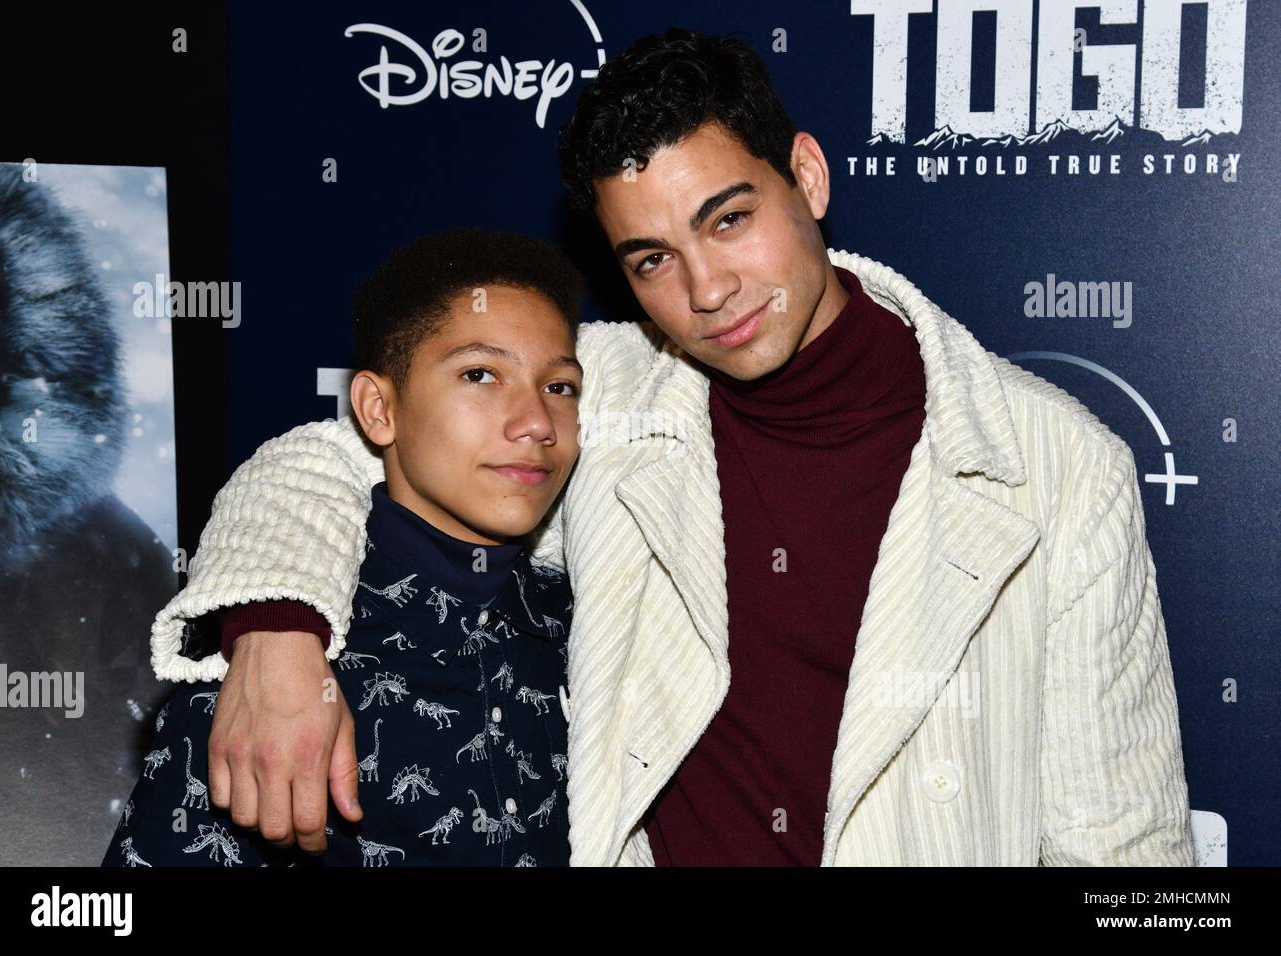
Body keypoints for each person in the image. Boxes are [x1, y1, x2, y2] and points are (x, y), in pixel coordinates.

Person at [144, 29, 1193, 866]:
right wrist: (277, 635)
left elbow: (1121, 844)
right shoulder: (603, 390)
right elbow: (338, 458)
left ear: (809, 179)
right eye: (652, 257)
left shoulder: (1058, 465)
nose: (705, 290)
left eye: (729, 219)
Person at [103, 228, 583, 866]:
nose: (536, 423)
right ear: (378, 410)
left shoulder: (596, 626)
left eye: (560, 387)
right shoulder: (268, 680)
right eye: (480, 374)